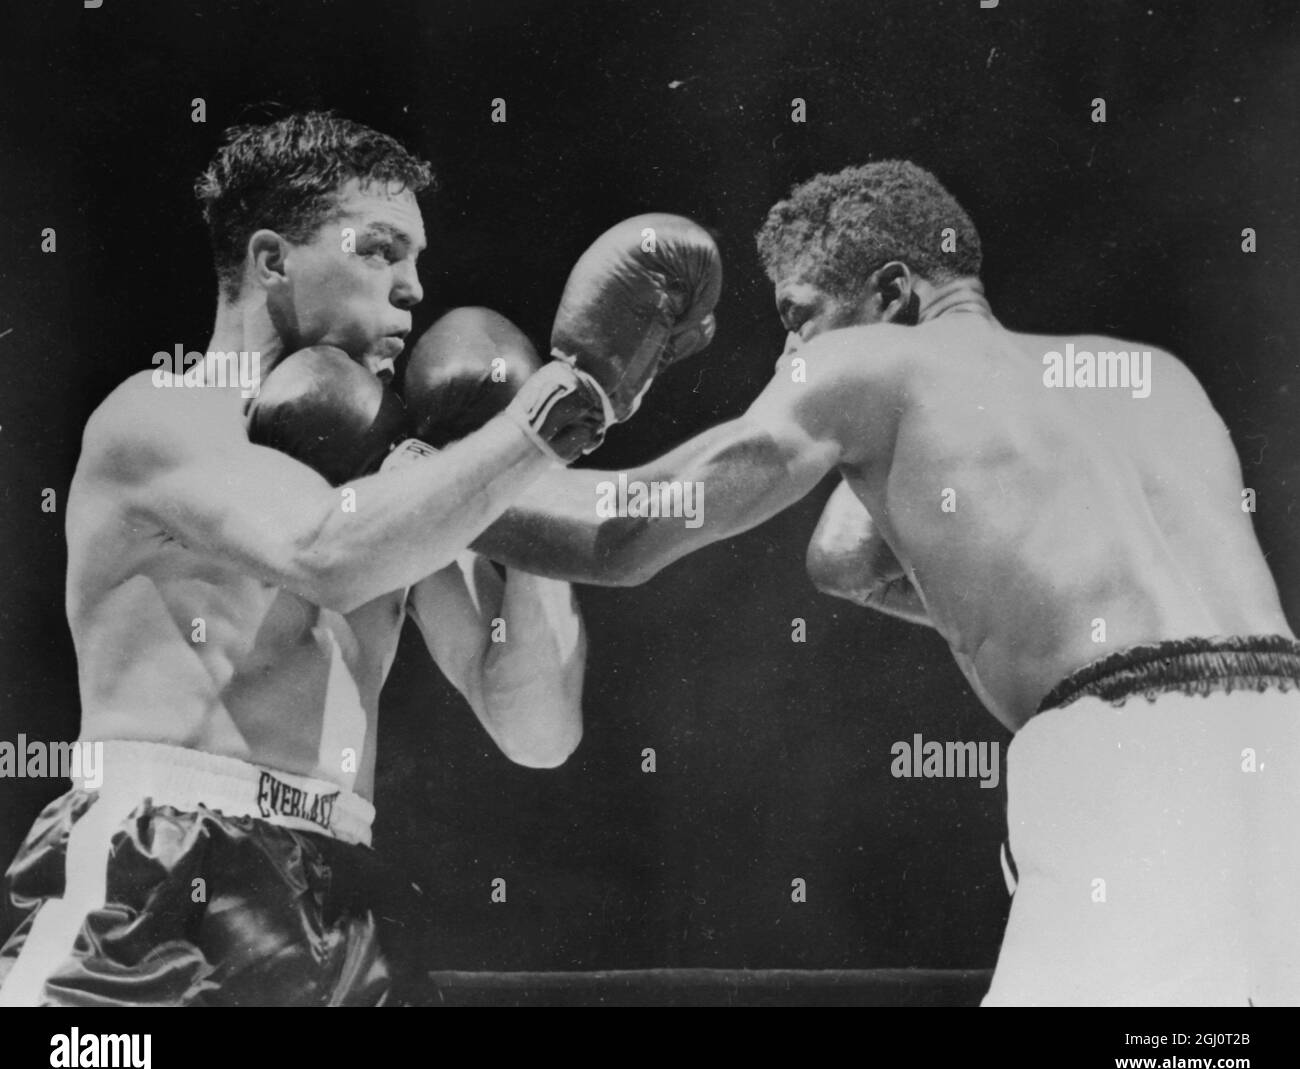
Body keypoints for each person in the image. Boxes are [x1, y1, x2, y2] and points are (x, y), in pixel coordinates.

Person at [475, 160, 1300, 1005]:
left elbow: (625, 533)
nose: (790, 354)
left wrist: (437, 483)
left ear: (893, 292)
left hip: (1126, 759)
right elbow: (844, 560)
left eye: (797, 317)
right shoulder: (1150, 376)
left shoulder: (861, 368)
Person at [0, 111, 720, 1006]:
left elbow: (533, 729)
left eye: (417, 258)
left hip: (344, 891)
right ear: (272, 260)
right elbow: (327, 553)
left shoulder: (404, 482)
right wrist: (533, 427)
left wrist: (530, 474)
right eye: (380, 250)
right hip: (155, 869)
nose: (415, 288)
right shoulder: (161, 414)